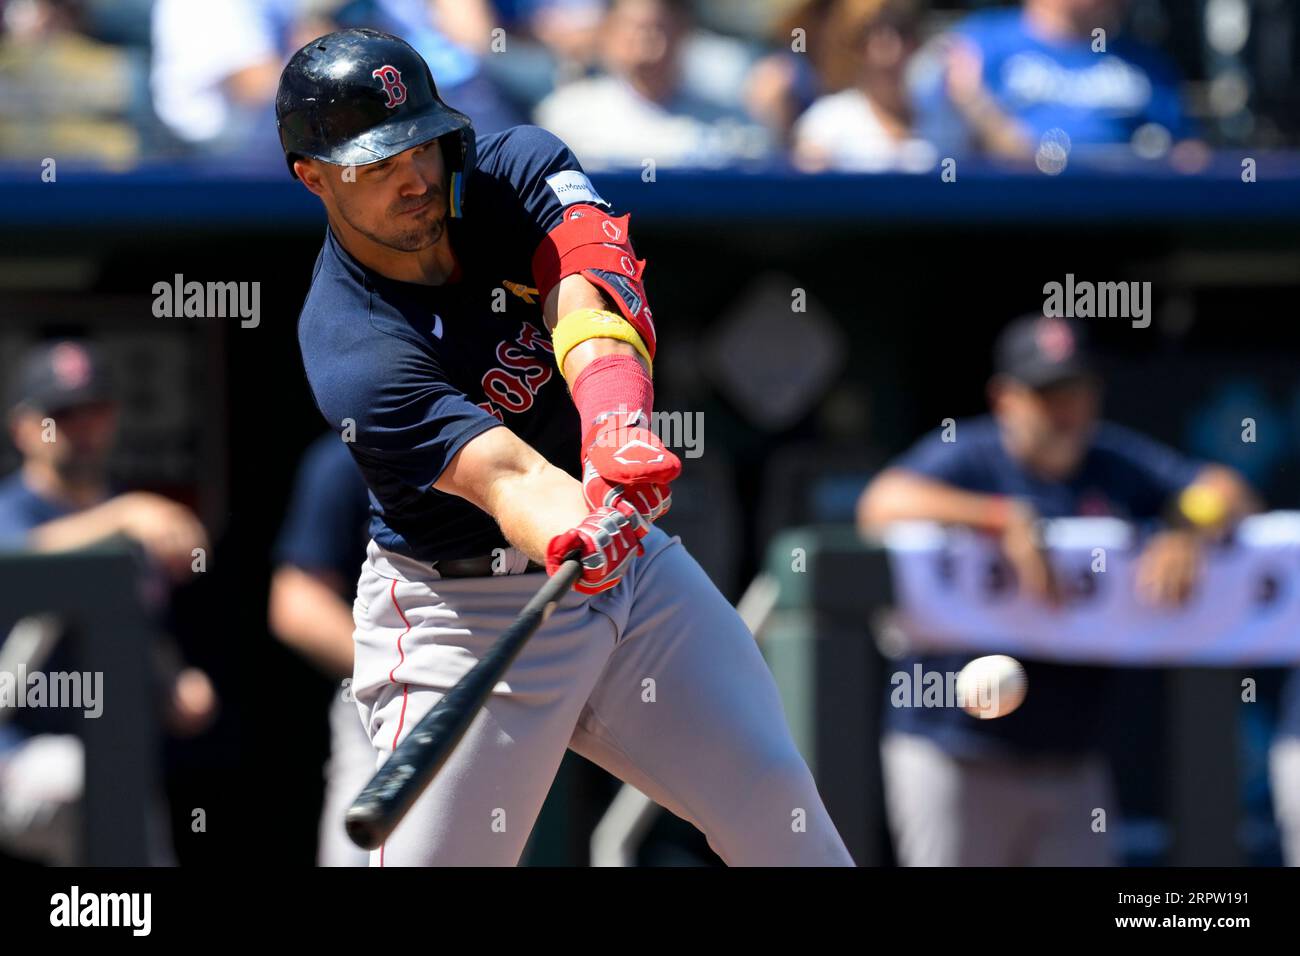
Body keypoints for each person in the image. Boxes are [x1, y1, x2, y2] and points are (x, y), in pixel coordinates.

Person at [278, 27, 852, 866]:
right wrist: (577, 514)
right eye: (376, 163)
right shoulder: (349, 341)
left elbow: (589, 285)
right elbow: (509, 478)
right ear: (314, 178)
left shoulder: (513, 168)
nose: (414, 177)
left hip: (630, 579)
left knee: (778, 807)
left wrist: (616, 421)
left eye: (423, 147)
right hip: (460, 615)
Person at [857, 315, 1257, 866]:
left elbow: (1227, 490)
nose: (1065, 410)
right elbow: (881, 504)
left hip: (1072, 761)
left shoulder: (1111, 461)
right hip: (955, 751)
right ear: (1006, 399)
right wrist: (998, 518)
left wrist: (1186, 525)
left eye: (1076, 391)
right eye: (1046, 394)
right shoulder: (969, 455)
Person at [0, 339, 217, 865]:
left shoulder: (128, 512)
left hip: (113, 749)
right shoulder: (16, 508)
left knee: (119, 787)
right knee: (102, 778)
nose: (82, 428)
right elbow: (21, 559)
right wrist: (125, 518)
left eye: (93, 412)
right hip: (16, 751)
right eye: (63, 415)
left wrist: (172, 679)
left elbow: (146, 617)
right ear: (24, 429)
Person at [912, 0, 1197, 162]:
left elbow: (1187, 156)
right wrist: (981, 112)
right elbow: (932, 146)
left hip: (1124, 223)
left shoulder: (1146, 65)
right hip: (1008, 220)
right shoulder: (979, 44)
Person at [268, 432, 373, 867]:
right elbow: (295, 604)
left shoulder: (534, 443)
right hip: (378, 703)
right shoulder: (347, 457)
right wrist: (412, 674)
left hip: (505, 698)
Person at [534, 0, 769, 169]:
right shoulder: (566, 114)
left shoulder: (732, 125)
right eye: (635, 27)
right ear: (608, 32)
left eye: (660, 28)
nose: (647, 42)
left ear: (684, 32)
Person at [791, 0, 936, 172]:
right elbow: (807, 189)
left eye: (903, 35)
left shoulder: (941, 118)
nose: (892, 53)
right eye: (877, 37)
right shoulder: (827, 119)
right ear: (860, 51)